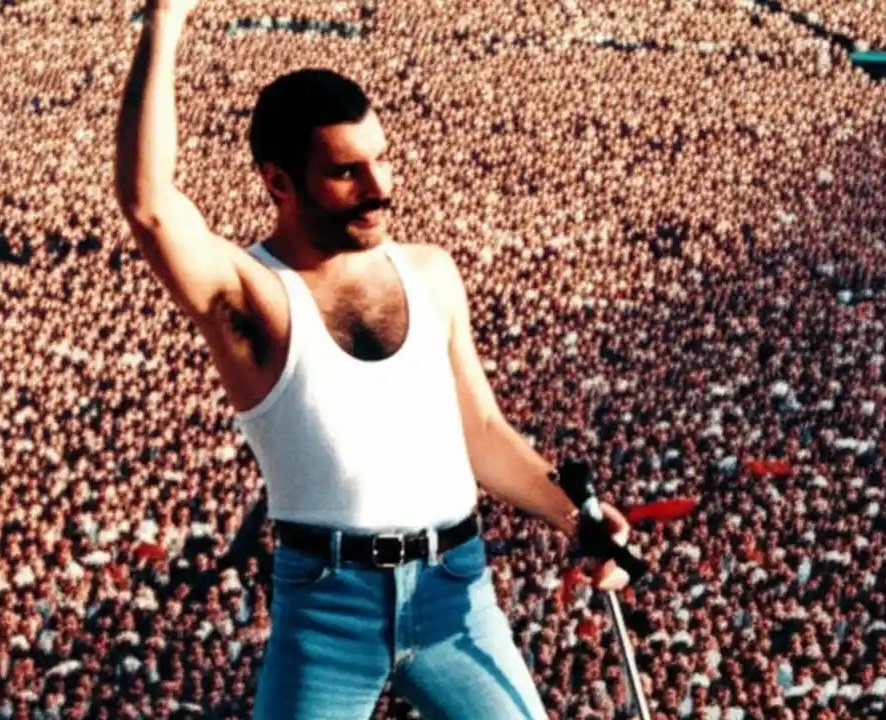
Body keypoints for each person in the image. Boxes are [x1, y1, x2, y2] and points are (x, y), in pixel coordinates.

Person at [112, 1, 637, 718]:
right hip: (328, 610)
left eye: (382, 158)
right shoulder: (253, 298)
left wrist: (577, 520)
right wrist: (165, 19)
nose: (380, 186)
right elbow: (149, 204)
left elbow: (480, 434)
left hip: (458, 591)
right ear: (278, 182)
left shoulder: (431, 272)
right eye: (347, 171)